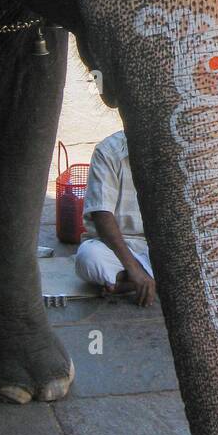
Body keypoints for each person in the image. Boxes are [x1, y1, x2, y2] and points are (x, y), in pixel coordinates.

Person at [74, 130, 156, 306]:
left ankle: (128, 283)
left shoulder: (172, 147)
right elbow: (102, 215)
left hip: (156, 249)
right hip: (115, 246)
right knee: (88, 258)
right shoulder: (108, 151)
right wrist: (133, 268)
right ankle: (145, 279)